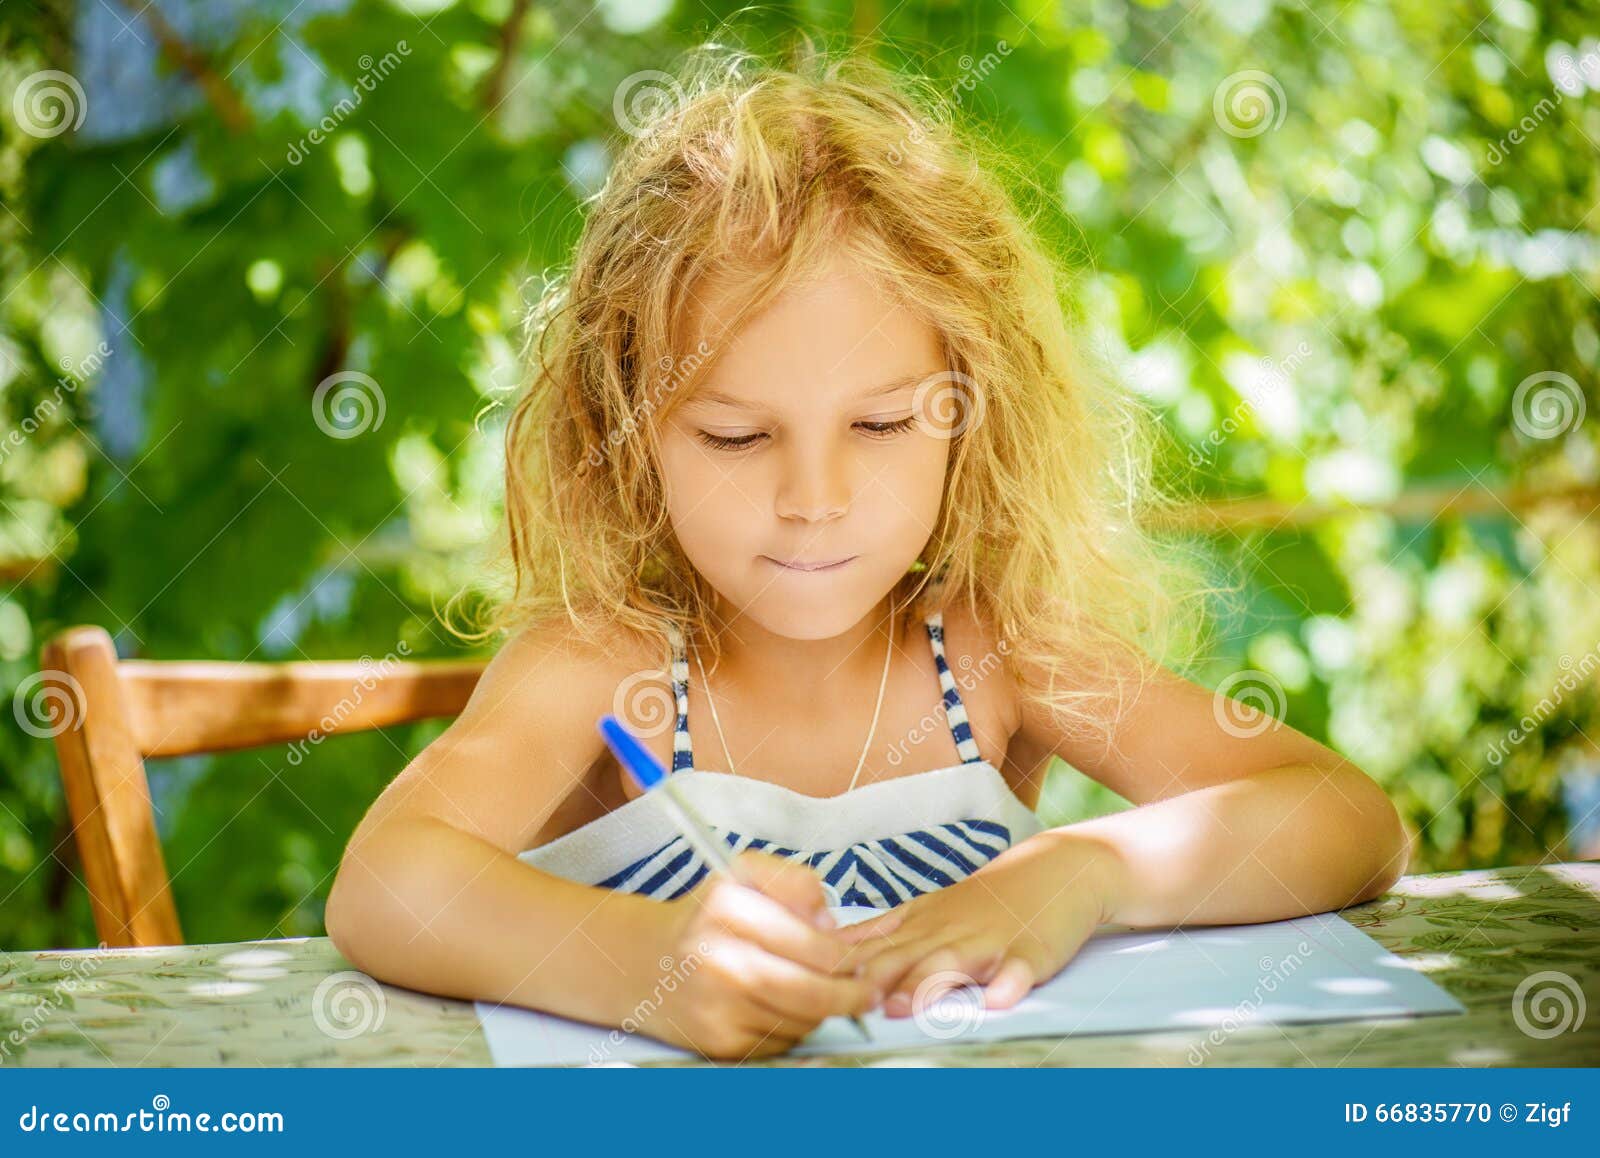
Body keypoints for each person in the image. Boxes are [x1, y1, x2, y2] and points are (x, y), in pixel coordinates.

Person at [326, 47, 1408, 1061]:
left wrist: (1085, 870)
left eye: (883, 426)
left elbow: (1350, 822)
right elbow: (385, 880)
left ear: (969, 416)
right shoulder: (604, 665)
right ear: (627, 429)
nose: (813, 501)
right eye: (736, 437)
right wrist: (645, 967)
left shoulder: (995, 652)